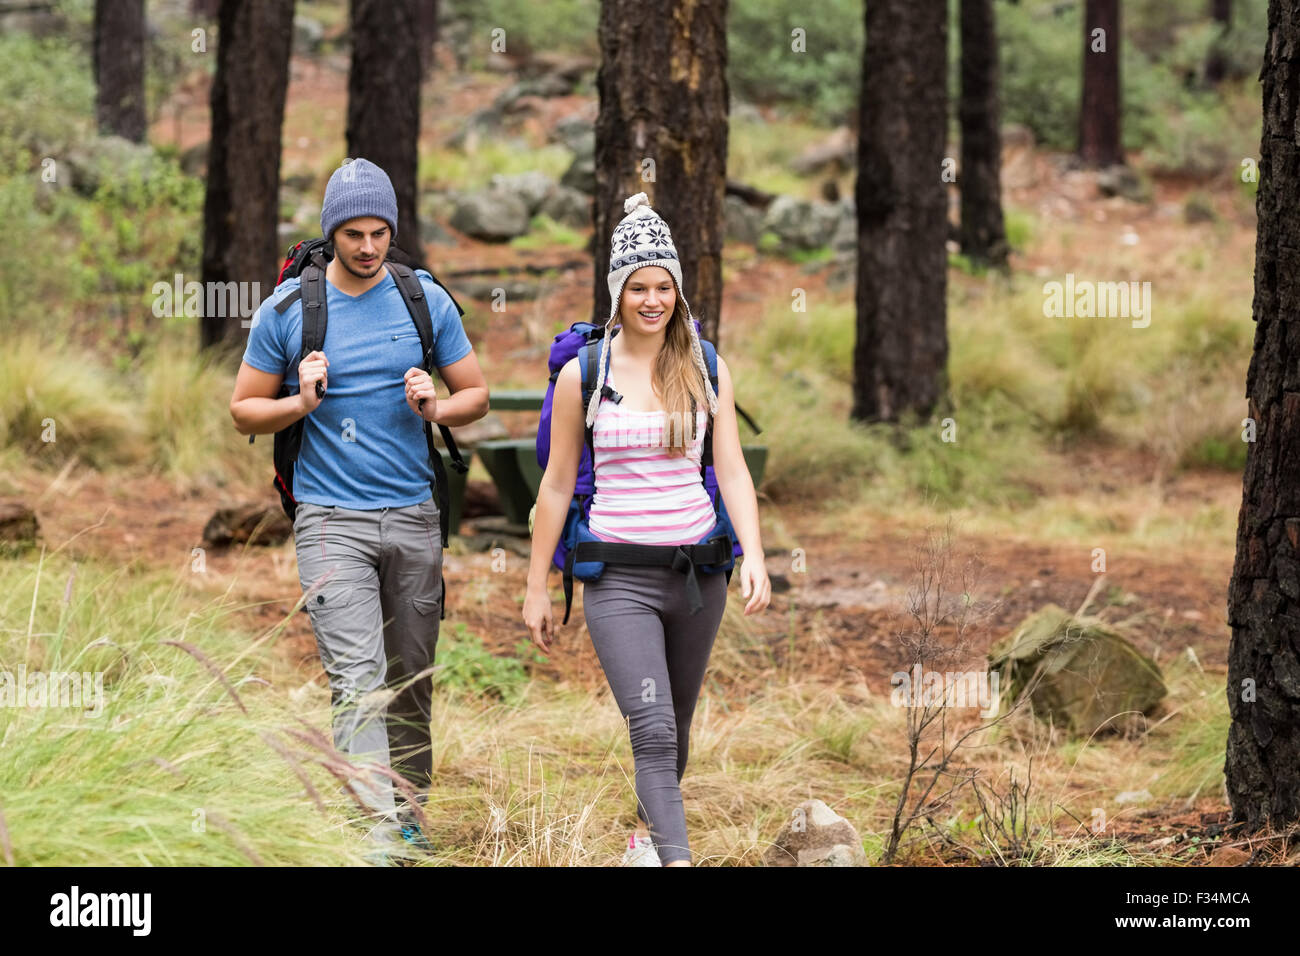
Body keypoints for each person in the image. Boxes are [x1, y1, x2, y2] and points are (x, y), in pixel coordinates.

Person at [229, 158, 489, 859]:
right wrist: (300, 402)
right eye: (353, 233)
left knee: (410, 678)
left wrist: (437, 403)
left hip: (412, 515)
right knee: (358, 680)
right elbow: (243, 411)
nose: (369, 247)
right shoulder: (289, 311)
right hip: (328, 520)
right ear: (330, 233)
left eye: (380, 233)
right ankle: (375, 839)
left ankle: (409, 816)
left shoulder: (422, 299)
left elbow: (476, 395)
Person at [522, 193, 771, 866]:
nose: (652, 299)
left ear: (678, 292)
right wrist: (537, 584)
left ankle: (645, 842)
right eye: (639, 287)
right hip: (619, 579)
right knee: (654, 728)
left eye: (664, 286)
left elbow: (735, 471)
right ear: (617, 292)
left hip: (698, 576)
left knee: (675, 731)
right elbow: (554, 483)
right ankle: (677, 860)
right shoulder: (585, 375)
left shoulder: (706, 367)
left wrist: (754, 554)